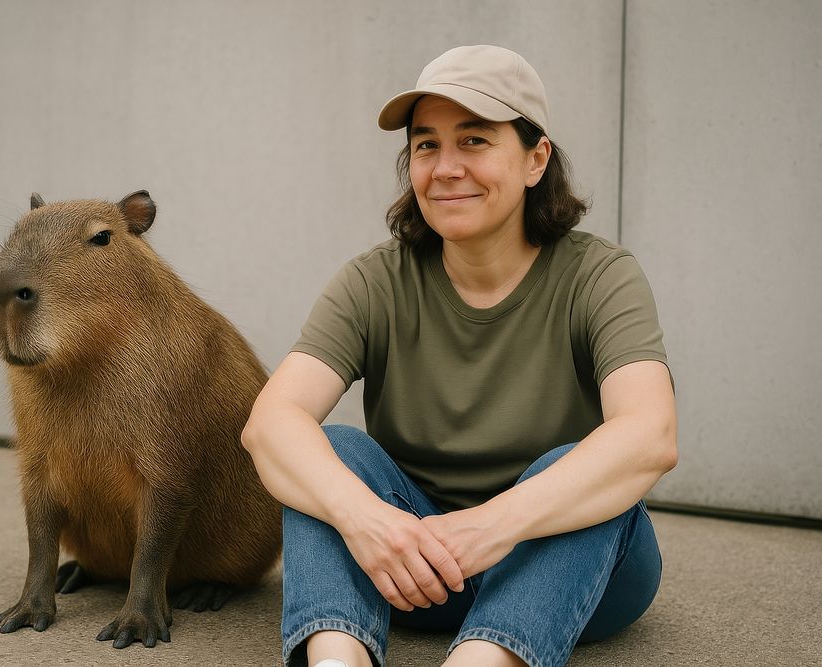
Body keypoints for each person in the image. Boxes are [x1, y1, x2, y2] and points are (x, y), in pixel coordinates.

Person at [241, 45, 677, 667]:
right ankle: (337, 660)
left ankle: (485, 659)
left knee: (582, 463)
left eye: (473, 141)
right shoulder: (374, 281)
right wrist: (367, 520)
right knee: (331, 452)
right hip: (410, 570)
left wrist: (490, 528)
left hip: (574, 571)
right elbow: (270, 425)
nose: (445, 168)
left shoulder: (600, 275)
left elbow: (650, 435)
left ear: (535, 159)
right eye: (426, 145)